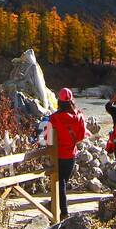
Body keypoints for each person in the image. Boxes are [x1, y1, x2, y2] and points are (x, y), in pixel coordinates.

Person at [47, 88, 87, 217]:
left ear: (59, 101)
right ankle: (57, 207)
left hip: (57, 154)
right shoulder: (79, 116)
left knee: (60, 183)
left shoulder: (53, 118)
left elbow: (48, 139)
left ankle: (62, 211)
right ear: (72, 101)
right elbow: (81, 137)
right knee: (63, 182)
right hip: (70, 154)